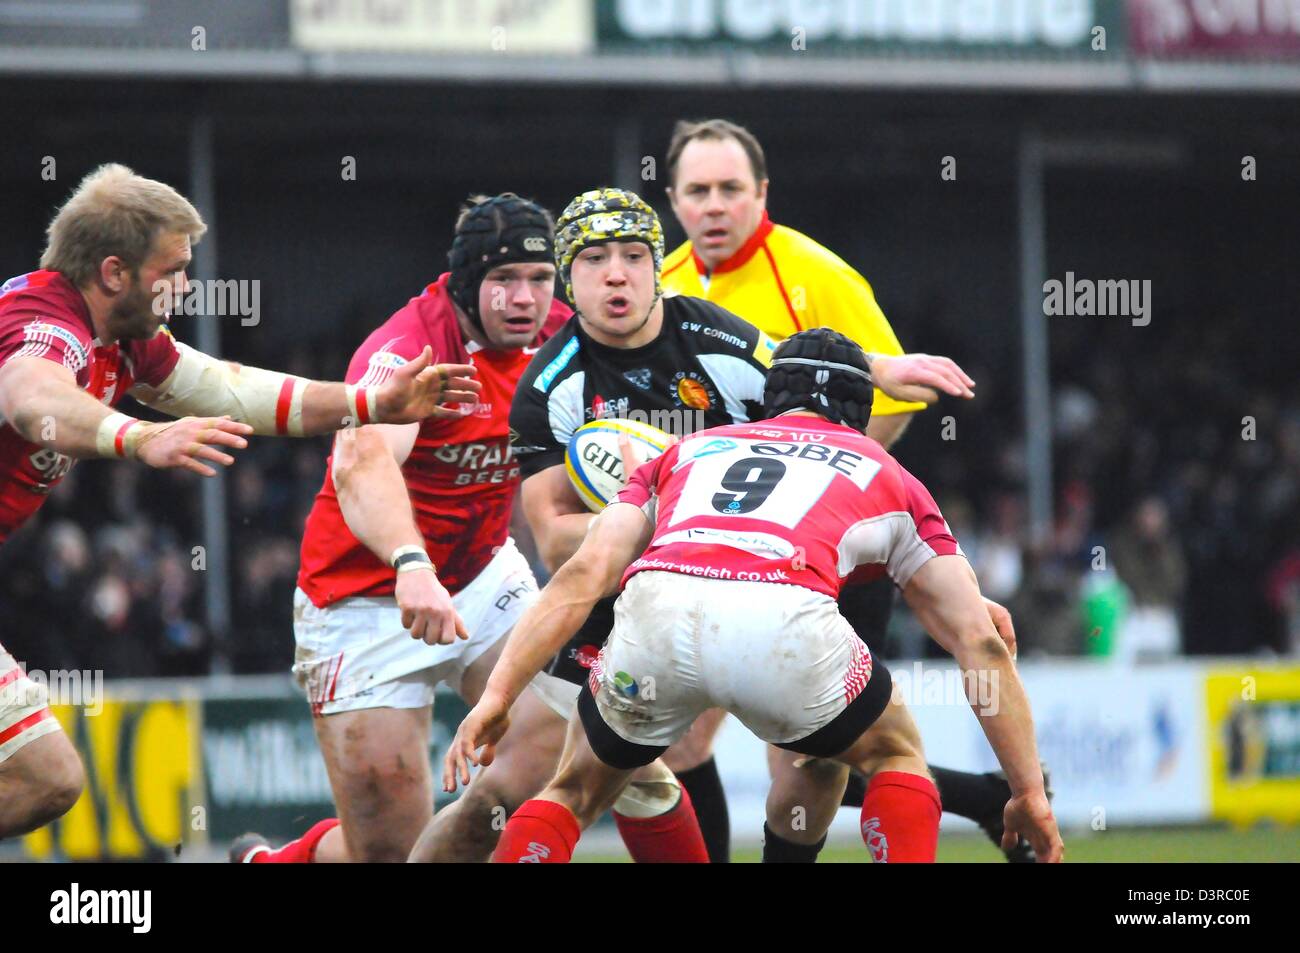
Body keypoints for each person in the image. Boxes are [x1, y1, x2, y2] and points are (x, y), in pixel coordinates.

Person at [408, 187, 977, 863]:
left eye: (632, 255)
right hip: (618, 607)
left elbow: (808, 394)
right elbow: (556, 537)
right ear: (570, 278)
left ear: (658, 266)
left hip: (753, 581)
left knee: (810, 765)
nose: (616, 273)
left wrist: (882, 368)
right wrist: (640, 513)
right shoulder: (550, 384)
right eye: (593, 259)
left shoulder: (719, 339)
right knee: (509, 795)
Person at [446, 328, 1064, 865]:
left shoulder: (688, 451)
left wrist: (497, 697)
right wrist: (1027, 791)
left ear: (768, 398)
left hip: (657, 617)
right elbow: (978, 641)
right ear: (859, 410)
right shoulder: (885, 471)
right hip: (784, 625)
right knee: (891, 753)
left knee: (574, 790)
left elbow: (581, 577)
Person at [0, 163, 474, 841]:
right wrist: (139, 438)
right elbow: (29, 397)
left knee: (46, 777)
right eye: (173, 270)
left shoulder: (123, 341)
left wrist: (371, 402)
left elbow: (233, 390)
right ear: (113, 273)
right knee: (45, 775)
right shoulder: (49, 325)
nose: (187, 287)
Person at [230, 193, 676, 864]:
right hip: (365, 599)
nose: (524, 298)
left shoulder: (564, 333)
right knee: (384, 849)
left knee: (613, 740)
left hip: (484, 582)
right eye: (504, 281)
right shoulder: (412, 348)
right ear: (467, 283)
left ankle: (471, 830)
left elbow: (686, 343)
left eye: (538, 278)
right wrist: (410, 563)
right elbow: (362, 461)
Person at [660, 117, 1040, 862]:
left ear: (761, 192)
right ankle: (988, 797)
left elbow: (894, 401)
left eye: (730, 189)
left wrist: (824, 508)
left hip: (832, 559)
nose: (713, 205)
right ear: (673, 199)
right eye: (697, 190)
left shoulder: (817, 275)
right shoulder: (663, 286)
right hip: (712, 552)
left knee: (811, 757)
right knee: (682, 745)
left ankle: (990, 797)